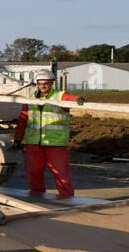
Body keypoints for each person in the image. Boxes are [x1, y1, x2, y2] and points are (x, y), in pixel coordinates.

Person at [14, 68, 83, 199]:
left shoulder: (59, 95)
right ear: (37, 84)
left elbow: (69, 98)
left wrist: (77, 99)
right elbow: (23, 119)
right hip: (34, 144)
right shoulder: (31, 99)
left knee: (62, 174)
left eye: (46, 83)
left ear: (52, 83)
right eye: (40, 83)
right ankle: (37, 197)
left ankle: (67, 200)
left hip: (55, 144)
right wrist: (18, 139)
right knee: (34, 172)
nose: (43, 86)